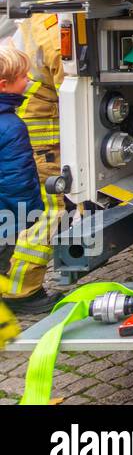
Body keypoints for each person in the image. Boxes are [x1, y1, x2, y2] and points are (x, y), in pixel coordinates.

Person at [0, 24, 62, 314]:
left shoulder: (37, 16)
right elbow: (15, 178)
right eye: (22, 77)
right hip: (42, 139)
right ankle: (20, 291)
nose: (27, 80)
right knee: (48, 213)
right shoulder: (56, 29)